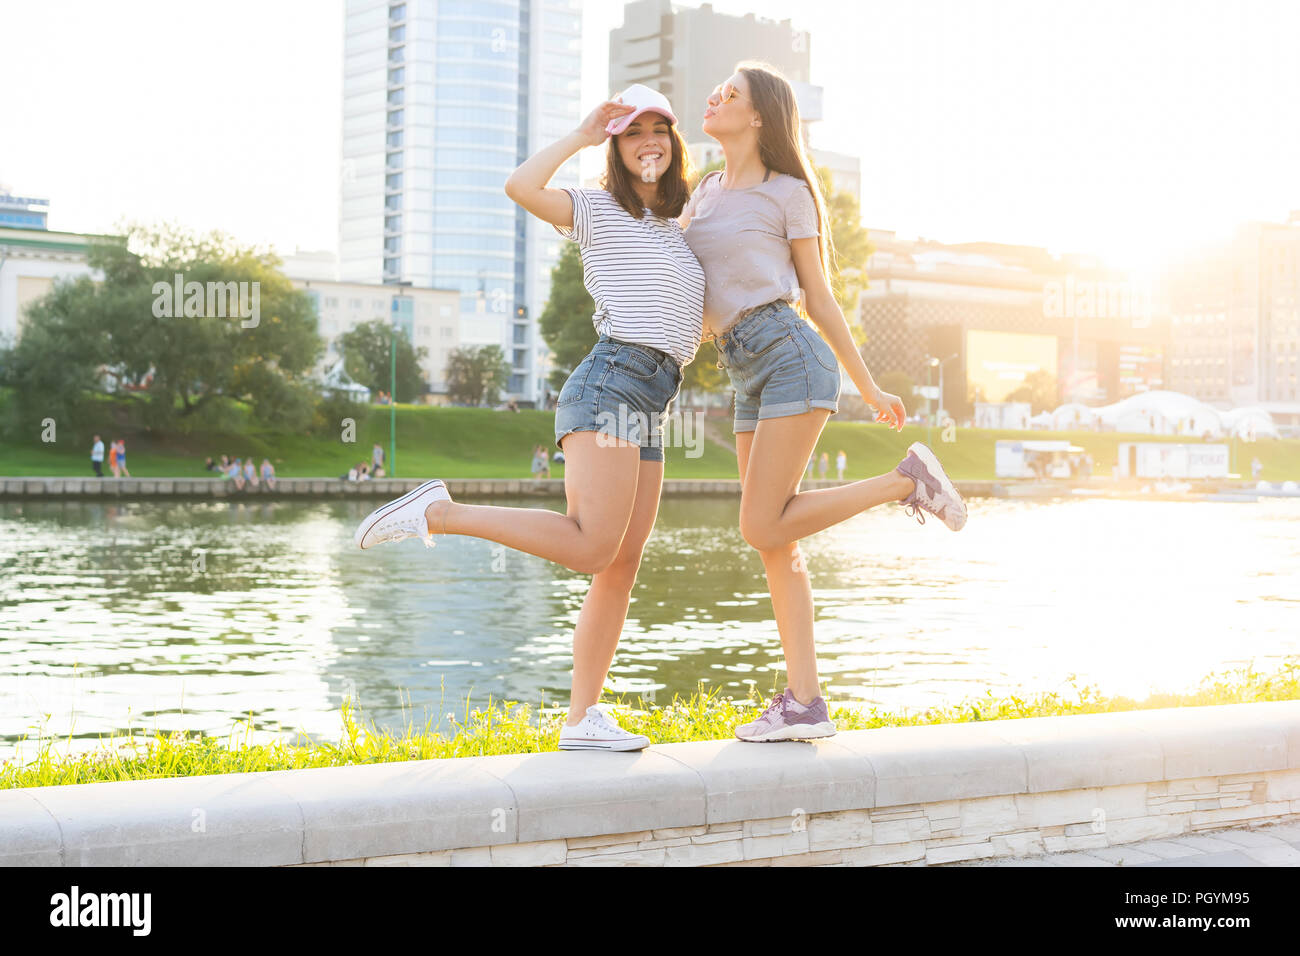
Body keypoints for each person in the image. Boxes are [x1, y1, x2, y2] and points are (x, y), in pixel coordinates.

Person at [355, 84, 703, 754]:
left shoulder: (677, 227)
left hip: (655, 397)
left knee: (620, 565)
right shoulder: (597, 208)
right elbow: (521, 186)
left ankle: (582, 720)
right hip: (613, 381)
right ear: (616, 148)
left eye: (658, 129)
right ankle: (439, 512)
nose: (648, 142)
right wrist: (582, 134)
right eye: (633, 132)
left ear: (673, 141)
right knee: (591, 547)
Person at [679, 61, 966, 743]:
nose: (715, 95)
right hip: (742, 367)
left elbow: (820, 297)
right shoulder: (703, 191)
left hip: (788, 355)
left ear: (758, 117)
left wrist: (867, 386)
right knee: (776, 543)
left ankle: (906, 481)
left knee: (760, 526)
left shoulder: (789, 194)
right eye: (717, 88)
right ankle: (805, 705)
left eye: (731, 93)